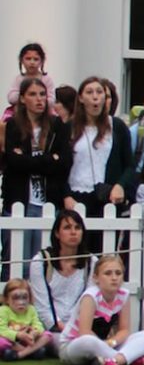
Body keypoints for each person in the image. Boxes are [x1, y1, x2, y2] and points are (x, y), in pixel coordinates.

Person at [1, 77, 71, 261]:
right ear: (22, 98)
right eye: (33, 94)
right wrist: (48, 160)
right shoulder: (14, 126)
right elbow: (13, 162)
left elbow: (63, 162)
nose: (39, 99)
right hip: (19, 200)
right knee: (16, 260)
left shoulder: (57, 126)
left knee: (43, 261)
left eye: (42, 94)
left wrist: (28, 159)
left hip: (48, 201)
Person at [56, 254, 144, 365]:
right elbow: (84, 332)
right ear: (96, 278)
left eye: (118, 273)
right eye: (108, 273)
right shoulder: (91, 296)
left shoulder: (124, 295)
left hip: (107, 344)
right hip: (74, 345)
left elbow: (124, 330)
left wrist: (112, 342)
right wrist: (105, 345)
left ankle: (113, 361)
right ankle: (128, 359)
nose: (114, 278)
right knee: (89, 342)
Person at [63, 77, 134, 230]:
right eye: (89, 92)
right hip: (77, 196)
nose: (95, 97)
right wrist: (66, 195)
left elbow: (130, 164)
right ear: (81, 98)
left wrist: (120, 185)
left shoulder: (117, 126)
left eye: (99, 92)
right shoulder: (69, 127)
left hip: (107, 196)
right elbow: (60, 167)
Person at [29, 209, 96, 340]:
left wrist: (78, 328)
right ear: (57, 233)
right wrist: (62, 328)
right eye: (67, 228)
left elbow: (89, 302)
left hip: (81, 327)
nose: (73, 232)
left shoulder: (91, 262)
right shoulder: (40, 262)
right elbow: (42, 307)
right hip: (49, 331)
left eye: (77, 228)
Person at [0, 278, 51, 359]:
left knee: (48, 335)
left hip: (28, 341)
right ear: (7, 299)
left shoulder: (31, 309)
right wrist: (18, 335)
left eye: (24, 298)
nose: (21, 302)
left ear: (29, 298)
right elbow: (1, 330)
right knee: (1, 342)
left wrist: (34, 332)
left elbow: (38, 325)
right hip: (12, 342)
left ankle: (20, 355)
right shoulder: (3, 310)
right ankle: (32, 352)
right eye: (15, 298)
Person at [5, 42, 55, 110]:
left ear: (42, 61)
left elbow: (51, 100)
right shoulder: (19, 79)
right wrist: (27, 97)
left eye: (36, 59)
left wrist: (38, 101)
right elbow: (11, 98)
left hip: (42, 112)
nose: (32, 62)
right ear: (21, 60)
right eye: (28, 59)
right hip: (21, 112)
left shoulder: (46, 79)